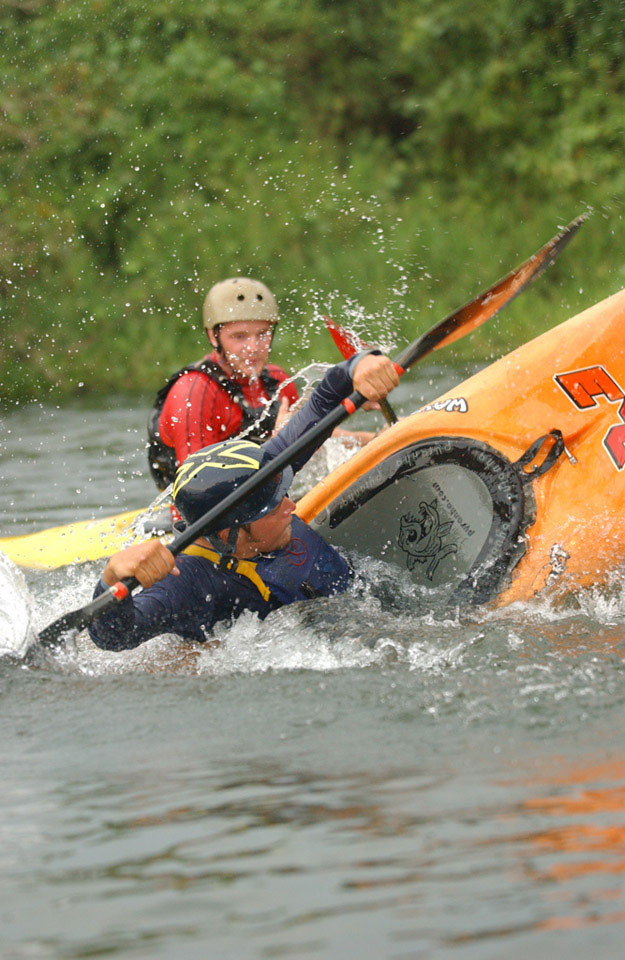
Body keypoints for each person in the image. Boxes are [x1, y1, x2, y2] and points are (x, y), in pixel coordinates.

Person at [90, 351, 400, 650]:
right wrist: (111, 577)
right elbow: (114, 637)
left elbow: (326, 399)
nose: (291, 507)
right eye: (274, 507)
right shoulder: (188, 582)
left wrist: (360, 365)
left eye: (285, 496)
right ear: (229, 533)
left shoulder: (269, 470)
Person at [147, 276, 378, 491]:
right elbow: (197, 489)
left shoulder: (277, 380)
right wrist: (279, 444)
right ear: (212, 336)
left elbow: (318, 437)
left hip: (256, 493)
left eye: (263, 334)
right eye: (239, 337)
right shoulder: (193, 394)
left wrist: (374, 441)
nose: (254, 347)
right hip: (192, 515)